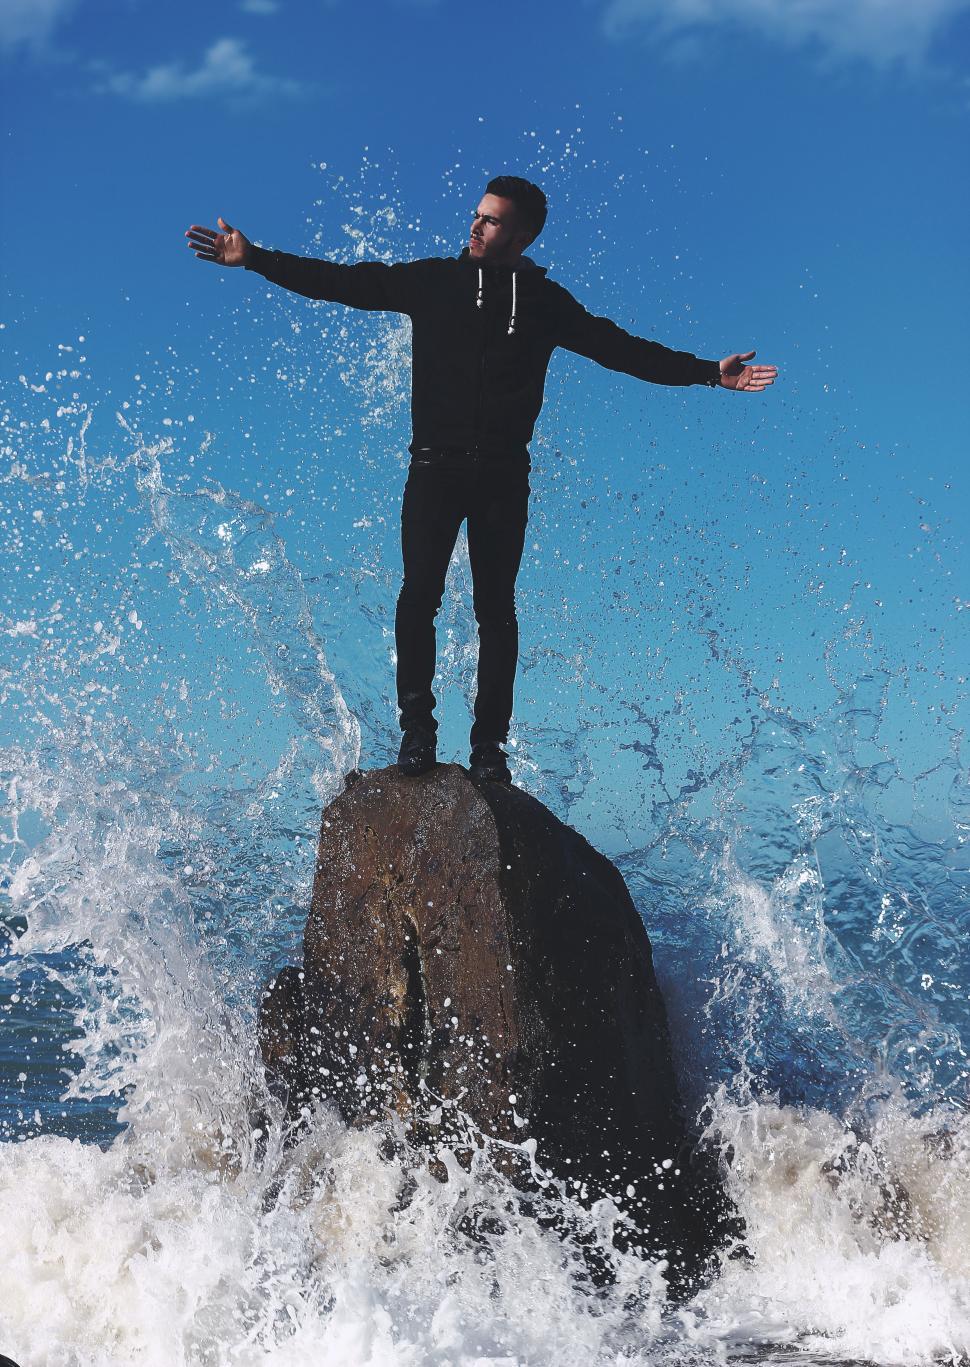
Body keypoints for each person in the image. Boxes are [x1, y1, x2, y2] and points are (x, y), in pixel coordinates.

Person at [186, 176, 777, 784]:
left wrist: (710, 373)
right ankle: (417, 734)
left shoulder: (545, 302)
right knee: (419, 598)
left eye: (490, 220)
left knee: (497, 611)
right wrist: (255, 259)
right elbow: (344, 283)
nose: (474, 226)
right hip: (433, 469)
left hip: (503, 477)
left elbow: (621, 349)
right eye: (476, 215)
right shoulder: (433, 281)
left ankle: (489, 750)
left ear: (521, 236)